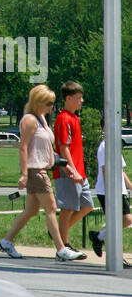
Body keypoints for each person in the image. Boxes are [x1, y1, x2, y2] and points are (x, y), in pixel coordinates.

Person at [0, 84, 86, 262]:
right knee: (51, 208)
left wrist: (65, 166)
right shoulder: (29, 120)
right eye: (48, 103)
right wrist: (24, 174)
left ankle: (6, 241)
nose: (52, 106)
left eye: (52, 103)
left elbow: (47, 150)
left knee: (31, 210)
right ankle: (61, 249)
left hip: (43, 168)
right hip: (35, 170)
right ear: (38, 102)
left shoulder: (42, 119)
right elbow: (23, 147)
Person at [53, 81, 94, 249]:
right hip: (69, 172)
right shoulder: (63, 119)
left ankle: (58, 232)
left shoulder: (74, 118)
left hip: (80, 172)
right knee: (68, 208)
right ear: (68, 98)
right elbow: (63, 148)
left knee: (87, 206)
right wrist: (73, 171)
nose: (81, 101)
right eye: (79, 98)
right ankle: (64, 245)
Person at [90, 118, 132, 267]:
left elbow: (120, 171)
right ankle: (115, 256)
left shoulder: (114, 146)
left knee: (125, 220)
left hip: (118, 190)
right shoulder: (104, 146)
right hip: (108, 191)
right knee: (122, 220)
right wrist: (111, 191)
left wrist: (129, 186)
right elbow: (104, 170)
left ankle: (99, 237)